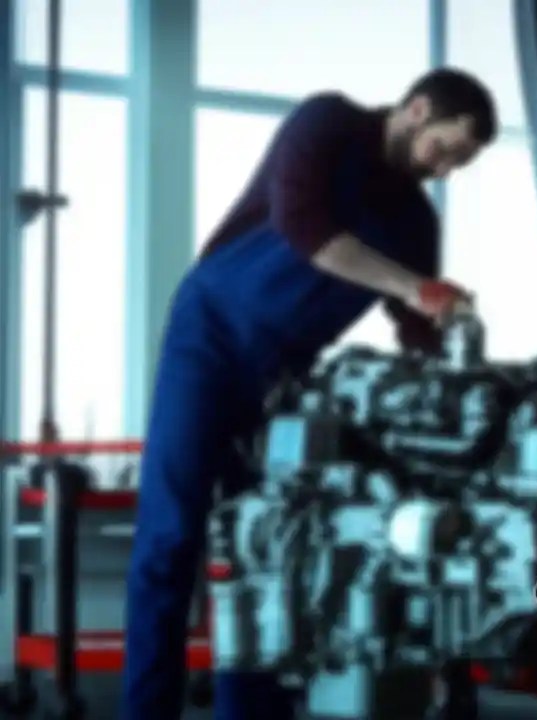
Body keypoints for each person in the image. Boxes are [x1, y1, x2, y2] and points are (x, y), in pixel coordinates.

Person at [121, 68, 498, 720]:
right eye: (445, 149)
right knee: (172, 535)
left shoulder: (414, 222)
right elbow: (306, 228)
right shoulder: (328, 124)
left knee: (269, 546)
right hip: (208, 340)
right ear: (416, 109)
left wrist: (457, 357)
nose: (443, 171)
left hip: (285, 374)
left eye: (458, 164)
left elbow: (417, 334)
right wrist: (412, 287)